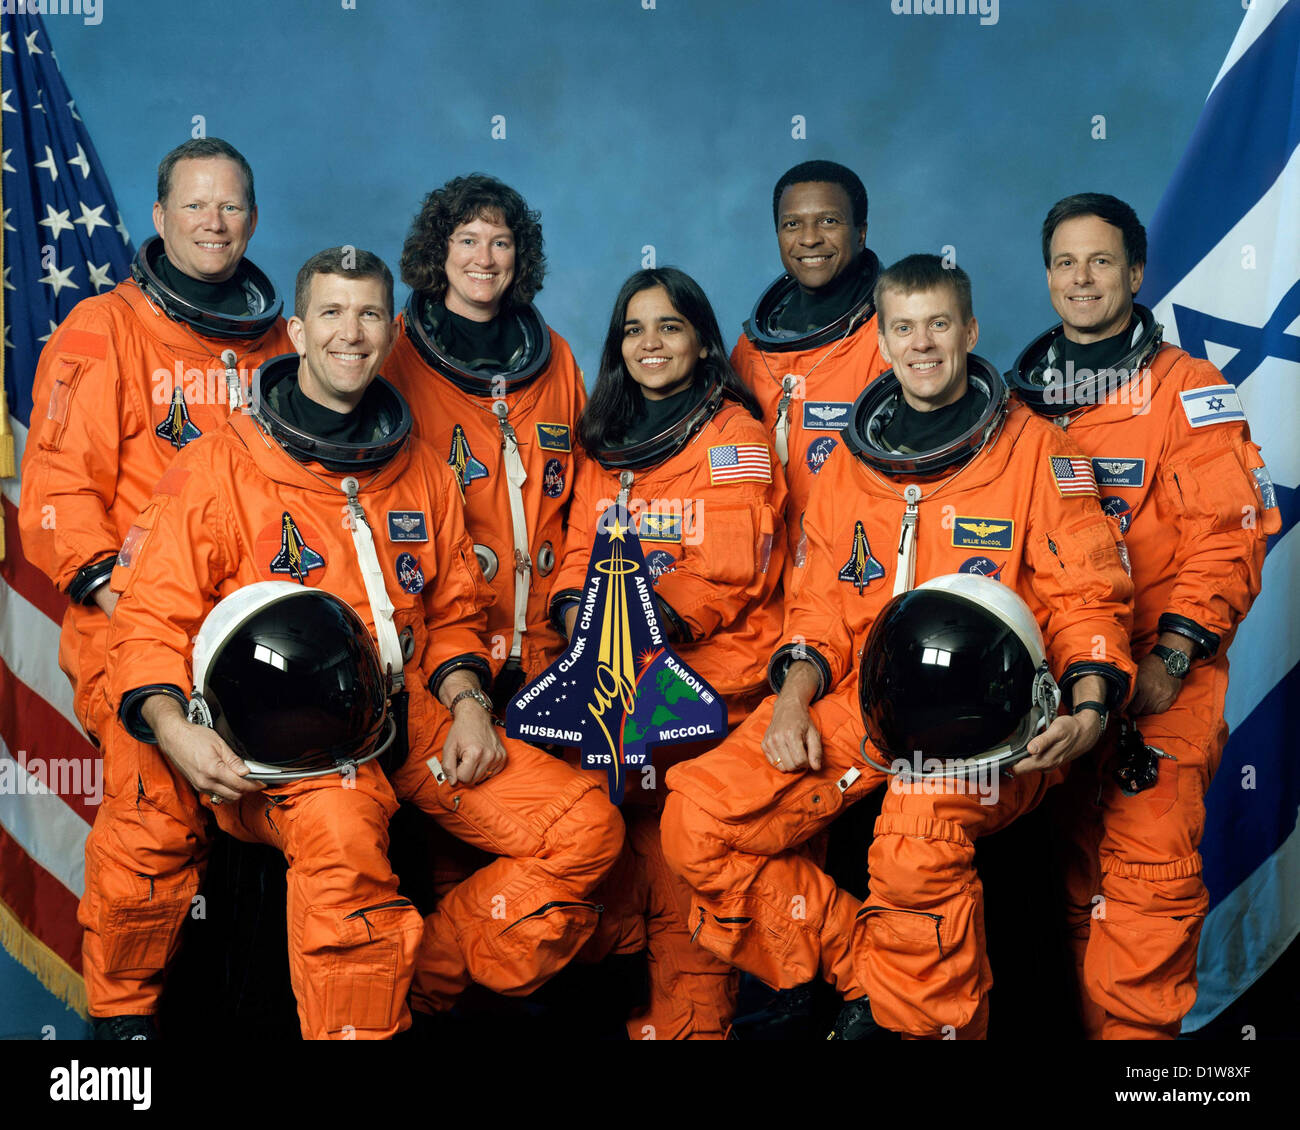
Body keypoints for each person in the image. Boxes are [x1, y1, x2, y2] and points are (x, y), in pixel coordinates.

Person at [84, 247, 623, 1039]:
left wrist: (469, 701)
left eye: (370, 313)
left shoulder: (424, 474)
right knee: (343, 849)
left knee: (586, 828)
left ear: (390, 328)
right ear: (298, 330)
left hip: (406, 718)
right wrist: (176, 729)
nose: (352, 332)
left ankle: (423, 974)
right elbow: (148, 621)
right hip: (286, 744)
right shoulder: (220, 468)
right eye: (332, 313)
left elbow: (452, 617)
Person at [661, 254, 1137, 1039]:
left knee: (915, 834)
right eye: (905, 327)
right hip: (865, 703)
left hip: (996, 721)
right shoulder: (852, 461)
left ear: (970, 331)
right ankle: (867, 974)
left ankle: (923, 1031)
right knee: (696, 817)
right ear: (882, 341)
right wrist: (791, 701)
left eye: (940, 324)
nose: (923, 344)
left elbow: (1087, 596)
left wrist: (1087, 707)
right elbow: (815, 606)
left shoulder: (1037, 452)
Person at [1007, 193, 1280, 1039]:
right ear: (1047, 276)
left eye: (1100, 261)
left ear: (1134, 273)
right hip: (1047, 684)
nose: (1081, 279)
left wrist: (1171, 655)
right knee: (1046, 899)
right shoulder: (1016, 404)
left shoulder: (1190, 391)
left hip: (1160, 683)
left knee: (1144, 896)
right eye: (1064, 262)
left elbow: (1229, 540)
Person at [547, 267, 786, 1039]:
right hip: (617, 691)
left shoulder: (734, 437)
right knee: (605, 866)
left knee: (687, 875)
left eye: (670, 326)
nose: (651, 344)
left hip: (712, 690)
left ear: (704, 342)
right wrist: (581, 613)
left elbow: (730, 570)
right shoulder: (605, 443)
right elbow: (577, 547)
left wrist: (634, 627)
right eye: (634, 329)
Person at [19, 138, 292, 743]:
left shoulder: (281, 347)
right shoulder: (102, 330)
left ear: (253, 219)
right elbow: (58, 492)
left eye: (230, 207)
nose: (213, 224)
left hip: (262, 636)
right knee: (156, 827)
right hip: (138, 632)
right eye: (195, 206)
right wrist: (139, 616)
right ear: (160, 217)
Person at [385, 175, 585, 709]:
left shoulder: (556, 360)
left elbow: (587, 497)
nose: (486, 258)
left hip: (551, 642)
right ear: (439, 250)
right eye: (467, 239)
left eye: (501, 242)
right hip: (448, 653)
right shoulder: (394, 359)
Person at [730, 160, 890, 574]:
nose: (809, 239)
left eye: (828, 221)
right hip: (759, 570)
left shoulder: (894, 337)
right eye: (792, 225)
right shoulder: (753, 347)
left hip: (848, 564)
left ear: (861, 231)